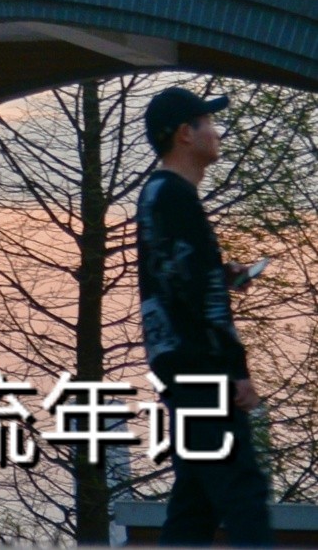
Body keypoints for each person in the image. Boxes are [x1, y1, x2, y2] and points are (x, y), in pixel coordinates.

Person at [136, 84, 273, 547]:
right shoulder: (177, 197)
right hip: (202, 367)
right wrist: (236, 370)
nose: (217, 132)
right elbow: (204, 298)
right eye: (207, 123)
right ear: (184, 135)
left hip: (175, 364)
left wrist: (219, 270)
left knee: (195, 502)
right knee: (243, 489)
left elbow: (176, 276)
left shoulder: (156, 195)